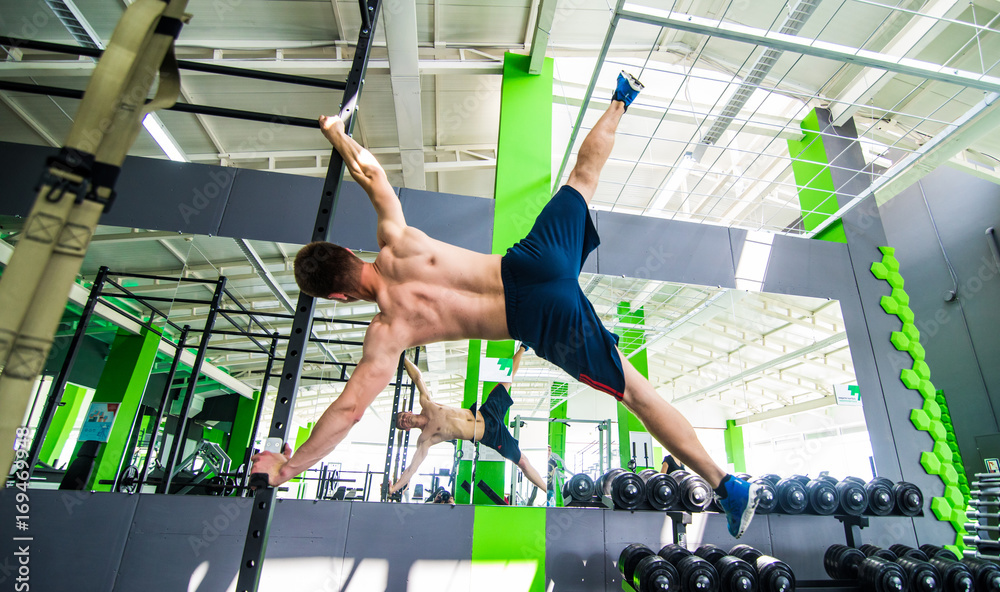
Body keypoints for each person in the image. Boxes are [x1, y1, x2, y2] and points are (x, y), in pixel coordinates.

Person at [253, 71, 760, 538]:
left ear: (338, 297)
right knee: (582, 180)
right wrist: (337, 134)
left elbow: (347, 411)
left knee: (636, 396)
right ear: (346, 252)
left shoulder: (388, 335)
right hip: (531, 263)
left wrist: (287, 469)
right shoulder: (396, 241)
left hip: (536, 320)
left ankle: (725, 485)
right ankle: (622, 99)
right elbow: (370, 173)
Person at [388, 343, 546, 493]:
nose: (404, 420)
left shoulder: (427, 403)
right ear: (407, 428)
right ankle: (548, 491)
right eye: (402, 424)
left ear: (408, 412)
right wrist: (395, 488)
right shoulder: (425, 439)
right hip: (490, 435)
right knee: (522, 462)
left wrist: (403, 357)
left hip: (486, 412)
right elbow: (411, 469)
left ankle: (523, 347)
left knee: (506, 379)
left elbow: (417, 377)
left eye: (402, 416)